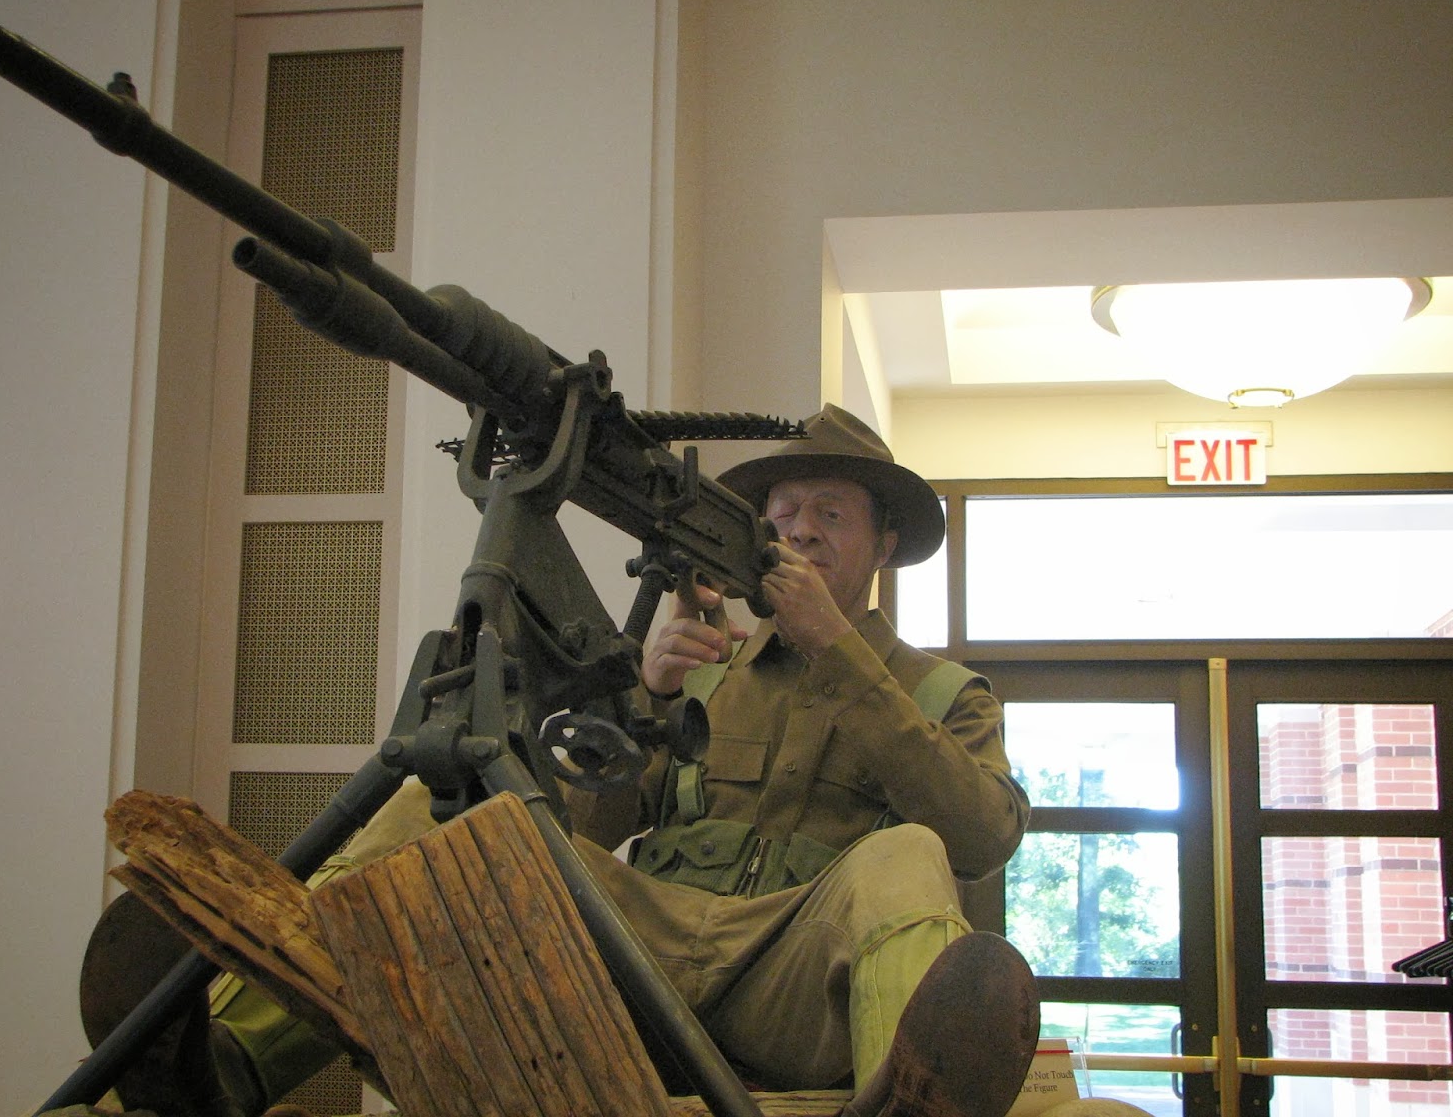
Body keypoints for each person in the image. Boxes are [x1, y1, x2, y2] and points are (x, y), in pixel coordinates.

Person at [83, 404, 1044, 1117]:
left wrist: (839, 654)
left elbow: (979, 836)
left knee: (904, 854)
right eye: (782, 514)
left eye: (828, 515)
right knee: (438, 812)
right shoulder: (705, 668)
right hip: (644, 954)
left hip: (796, 984)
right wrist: (648, 703)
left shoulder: (941, 692)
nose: (795, 531)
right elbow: (581, 831)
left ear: (881, 544)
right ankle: (224, 1065)